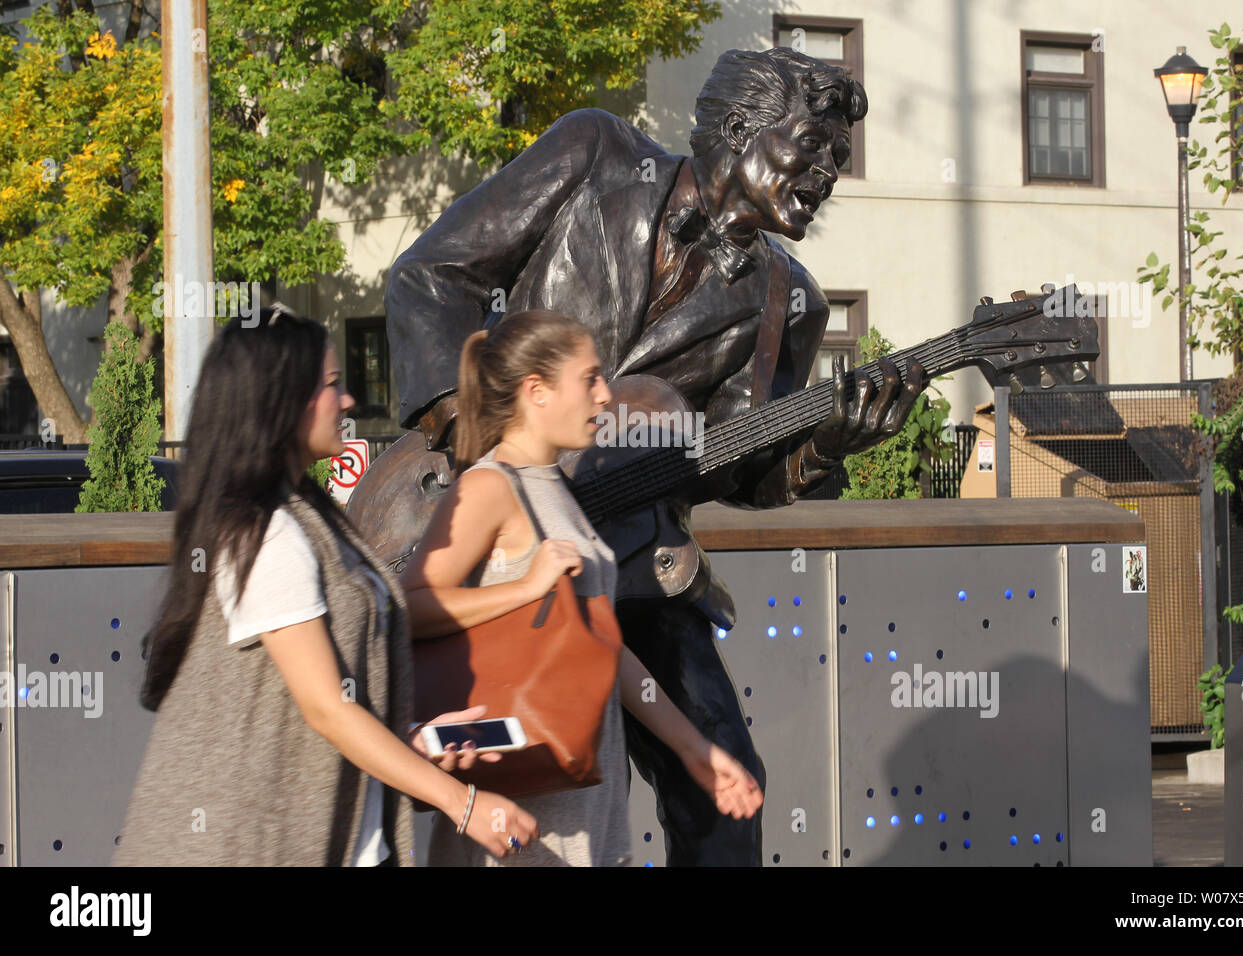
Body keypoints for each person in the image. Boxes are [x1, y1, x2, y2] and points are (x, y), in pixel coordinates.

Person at [376, 48, 921, 864]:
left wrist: (821, 445)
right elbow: (431, 276)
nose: (828, 172)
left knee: (727, 791)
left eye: (838, 158)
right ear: (741, 128)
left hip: (631, 553)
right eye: (812, 145)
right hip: (475, 504)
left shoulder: (789, 301)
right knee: (431, 759)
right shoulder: (593, 152)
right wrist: (470, 429)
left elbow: (739, 468)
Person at [114, 305, 538, 866]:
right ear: (281, 401)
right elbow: (327, 710)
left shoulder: (311, 518)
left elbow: (333, 701)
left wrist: (413, 735)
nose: (348, 402)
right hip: (244, 846)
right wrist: (464, 805)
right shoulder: (267, 535)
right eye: (332, 386)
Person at [400, 309, 763, 866]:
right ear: (536, 391)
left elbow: (601, 648)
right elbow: (411, 606)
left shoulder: (557, 490)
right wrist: (524, 588)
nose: (603, 397)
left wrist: (693, 749)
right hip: (524, 827)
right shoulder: (488, 487)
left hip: (586, 814)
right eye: (589, 378)